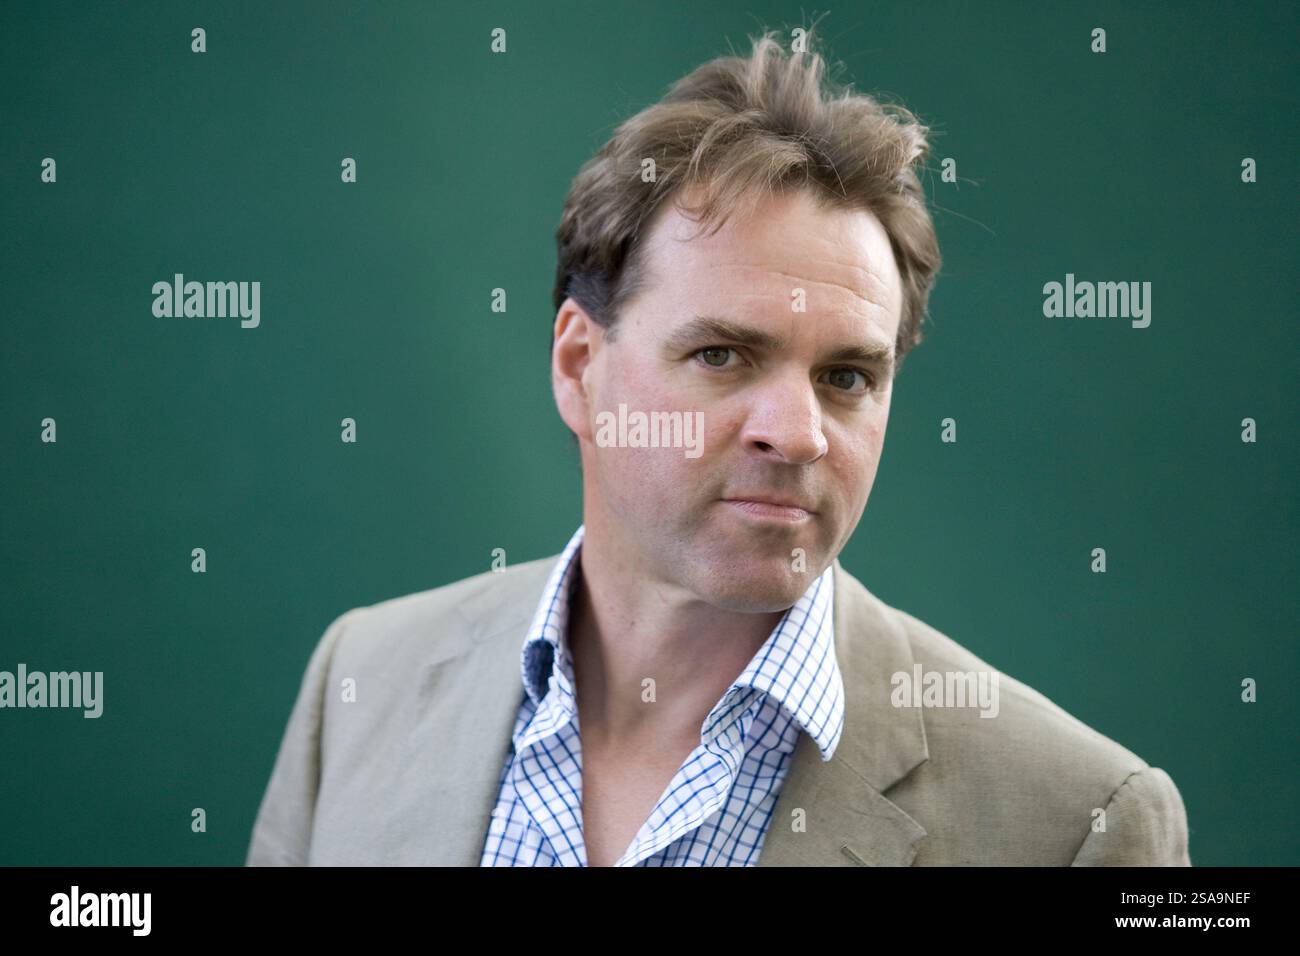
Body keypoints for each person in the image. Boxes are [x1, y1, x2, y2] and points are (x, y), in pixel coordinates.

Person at [246, 31, 1191, 867]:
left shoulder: (1080, 826)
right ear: (581, 367)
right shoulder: (362, 679)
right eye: (722, 355)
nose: (799, 432)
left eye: (848, 377)